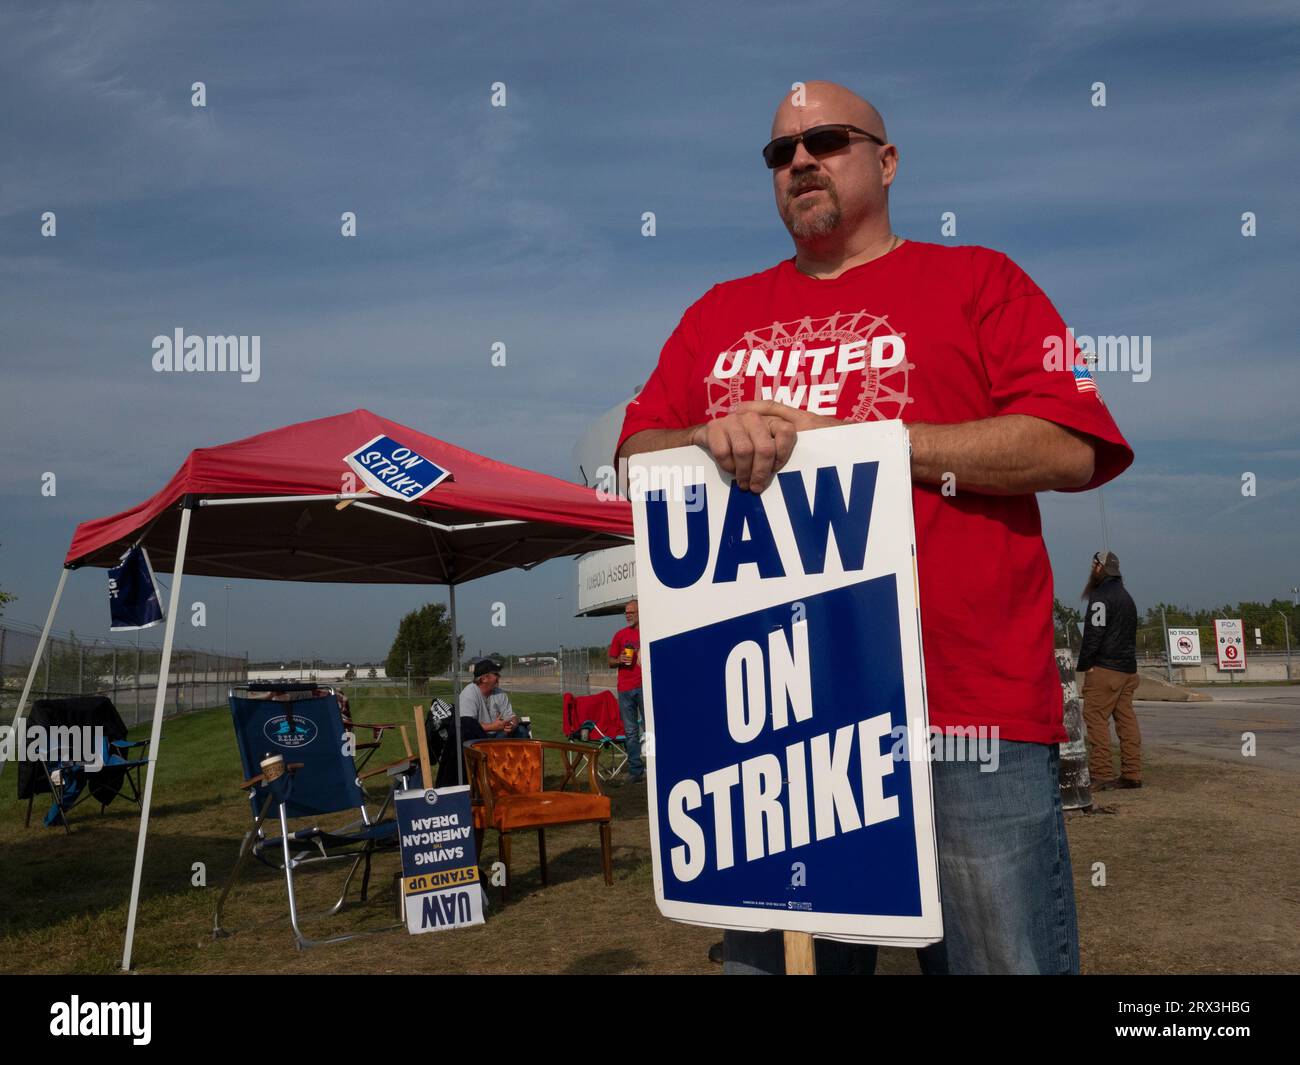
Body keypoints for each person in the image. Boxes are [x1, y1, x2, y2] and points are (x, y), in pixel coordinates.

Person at [616, 81, 1134, 974]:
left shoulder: (981, 281)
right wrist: (706, 436)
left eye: (826, 140)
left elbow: (1071, 443)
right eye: (780, 151)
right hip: (778, 739)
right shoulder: (715, 316)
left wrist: (868, 444)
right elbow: (632, 460)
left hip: (968, 717)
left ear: (886, 162)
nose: (800, 161)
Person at [1077, 551, 1141, 790]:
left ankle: (1101, 773)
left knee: (1095, 718)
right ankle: (1132, 773)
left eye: (1093, 565)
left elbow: (1093, 634)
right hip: (1128, 669)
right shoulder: (1127, 597)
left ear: (1098, 567)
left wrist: (1085, 665)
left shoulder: (1100, 596)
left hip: (1105, 669)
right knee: (1126, 721)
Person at [607, 600, 644, 783]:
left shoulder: (648, 631)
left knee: (650, 729)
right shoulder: (619, 635)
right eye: (626, 612)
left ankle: (654, 765)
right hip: (625, 688)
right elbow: (610, 661)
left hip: (644, 686)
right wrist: (620, 659)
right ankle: (636, 770)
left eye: (631, 612)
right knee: (630, 731)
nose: (628, 615)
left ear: (639, 612)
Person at [459, 658, 531, 740]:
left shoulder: (499, 693)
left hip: (498, 734)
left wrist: (512, 725)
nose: (499, 677)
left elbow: (512, 717)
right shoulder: (469, 694)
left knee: (521, 730)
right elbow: (467, 726)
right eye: (496, 674)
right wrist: (493, 727)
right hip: (479, 737)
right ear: (484, 679)